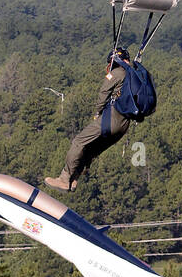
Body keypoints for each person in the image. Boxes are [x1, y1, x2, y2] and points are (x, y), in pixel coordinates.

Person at [45, 47, 134, 192]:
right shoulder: (136, 74)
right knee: (92, 150)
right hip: (124, 125)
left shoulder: (117, 73)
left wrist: (98, 112)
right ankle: (74, 179)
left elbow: (103, 93)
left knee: (79, 142)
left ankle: (64, 178)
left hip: (111, 118)